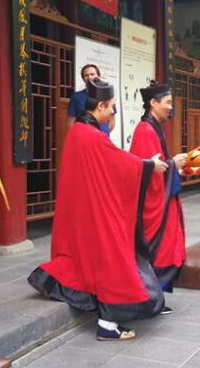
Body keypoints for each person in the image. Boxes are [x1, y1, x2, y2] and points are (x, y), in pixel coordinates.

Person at [28, 78, 168, 341]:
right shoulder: (91, 135)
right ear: (101, 106)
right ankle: (107, 323)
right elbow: (120, 163)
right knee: (113, 255)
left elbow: (113, 163)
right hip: (94, 210)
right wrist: (149, 165)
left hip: (83, 208)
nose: (114, 112)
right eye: (112, 107)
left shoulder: (79, 131)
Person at [129, 82, 187, 309]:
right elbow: (147, 170)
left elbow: (158, 166)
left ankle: (156, 297)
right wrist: (174, 164)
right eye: (168, 103)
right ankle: (151, 297)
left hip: (163, 198)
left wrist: (174, 166)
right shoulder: (145, 130)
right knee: (160, 250)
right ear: (153, 103)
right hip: (154, 203)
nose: (170, 108)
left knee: (168, 249)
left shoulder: (154, 127)